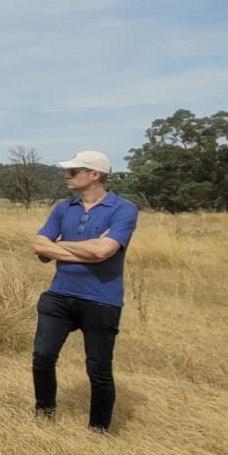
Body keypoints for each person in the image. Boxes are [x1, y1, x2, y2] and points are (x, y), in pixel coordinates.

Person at [31, 151, 140, 432]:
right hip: (60, 294)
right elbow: (40, 245)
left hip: (101, 298)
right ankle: (44, 414)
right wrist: (89, 251)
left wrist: (62, 246)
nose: (67, 176)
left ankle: (99, 430)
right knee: (42, 356)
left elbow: (106, 250)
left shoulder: (123, 208)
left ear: (94, 175)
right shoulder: (64, 208)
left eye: (73, 171)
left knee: (99, 368)